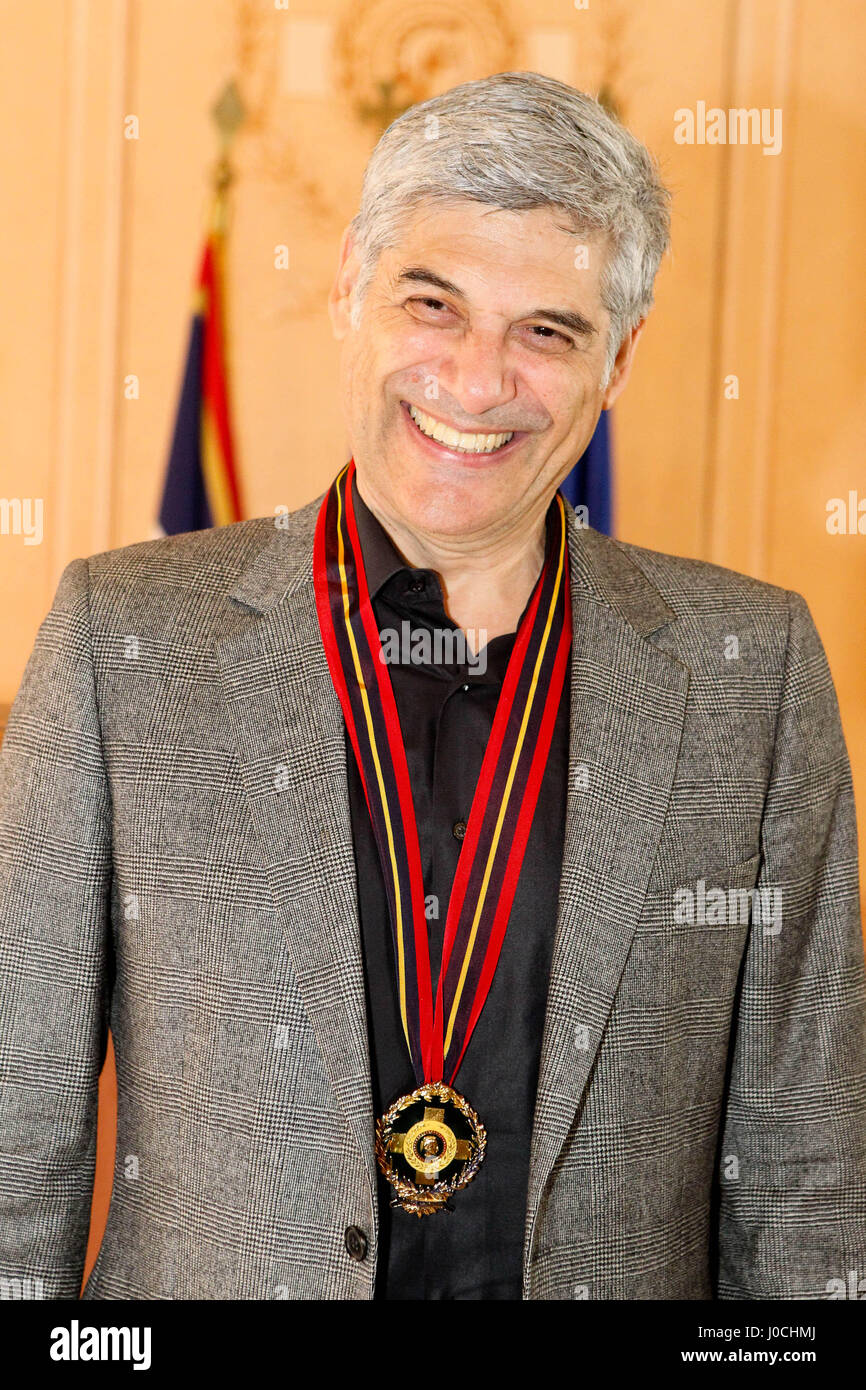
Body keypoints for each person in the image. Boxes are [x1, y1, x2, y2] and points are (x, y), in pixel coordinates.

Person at [1, 71, 864, 1301]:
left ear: (616, 359)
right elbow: (16, 1136)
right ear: (351, 285)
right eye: (433, 302)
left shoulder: (754, 673)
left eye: (545, 331)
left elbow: (804, 1176)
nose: (473, 381)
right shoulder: (120, 640)